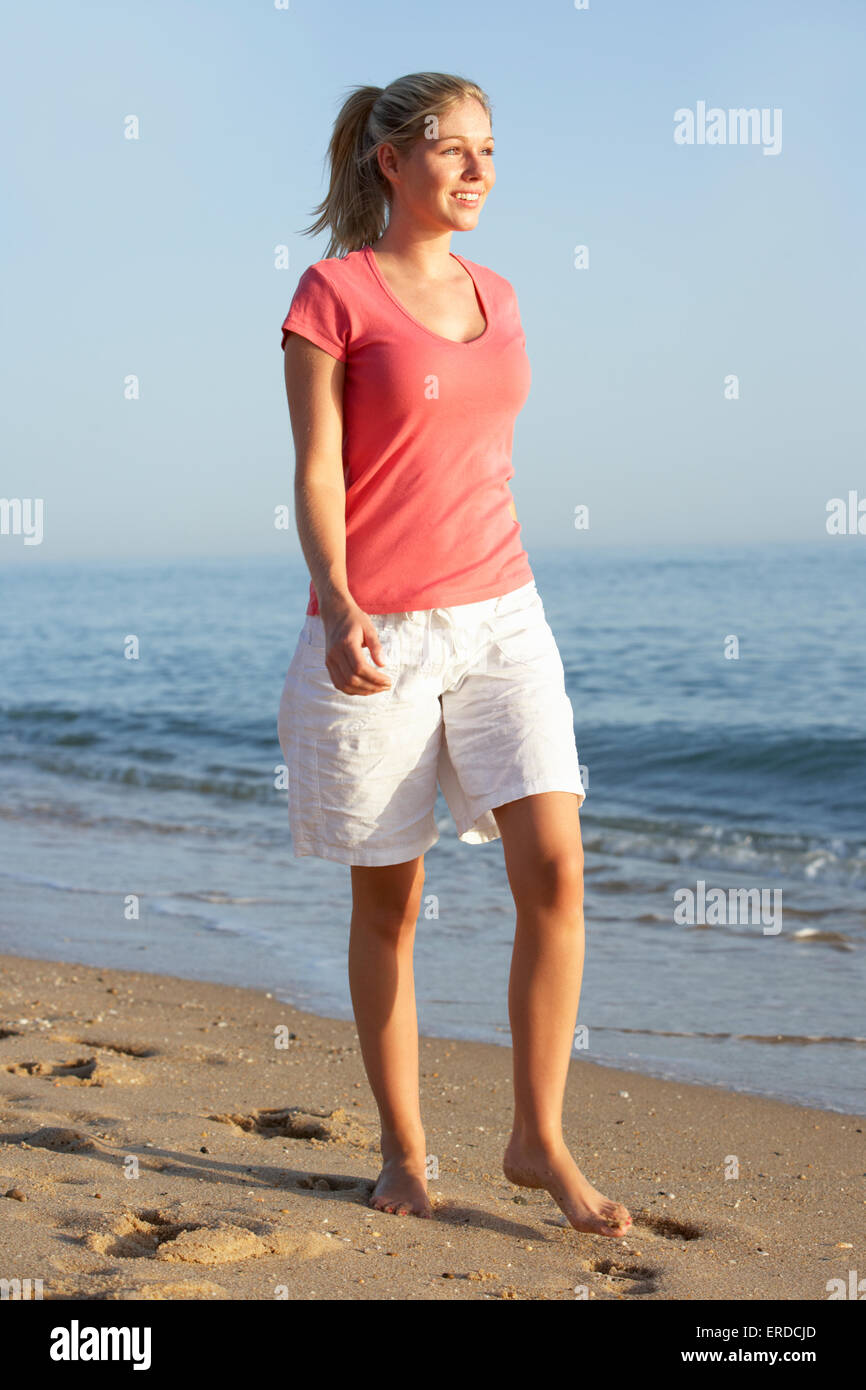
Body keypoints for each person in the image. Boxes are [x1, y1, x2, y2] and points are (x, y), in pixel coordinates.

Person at [277, 72, 631, 1239]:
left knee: (558, 876)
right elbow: (321, 470)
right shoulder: (332, 294)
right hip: (378, 627)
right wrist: (335, 603)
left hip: (503, 617)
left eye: (490, 150)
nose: (479, 169)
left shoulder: (502, 295)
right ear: (392, 162)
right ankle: (403, 1147)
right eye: (454, 149)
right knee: (392, 905)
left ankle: (536, 1136)